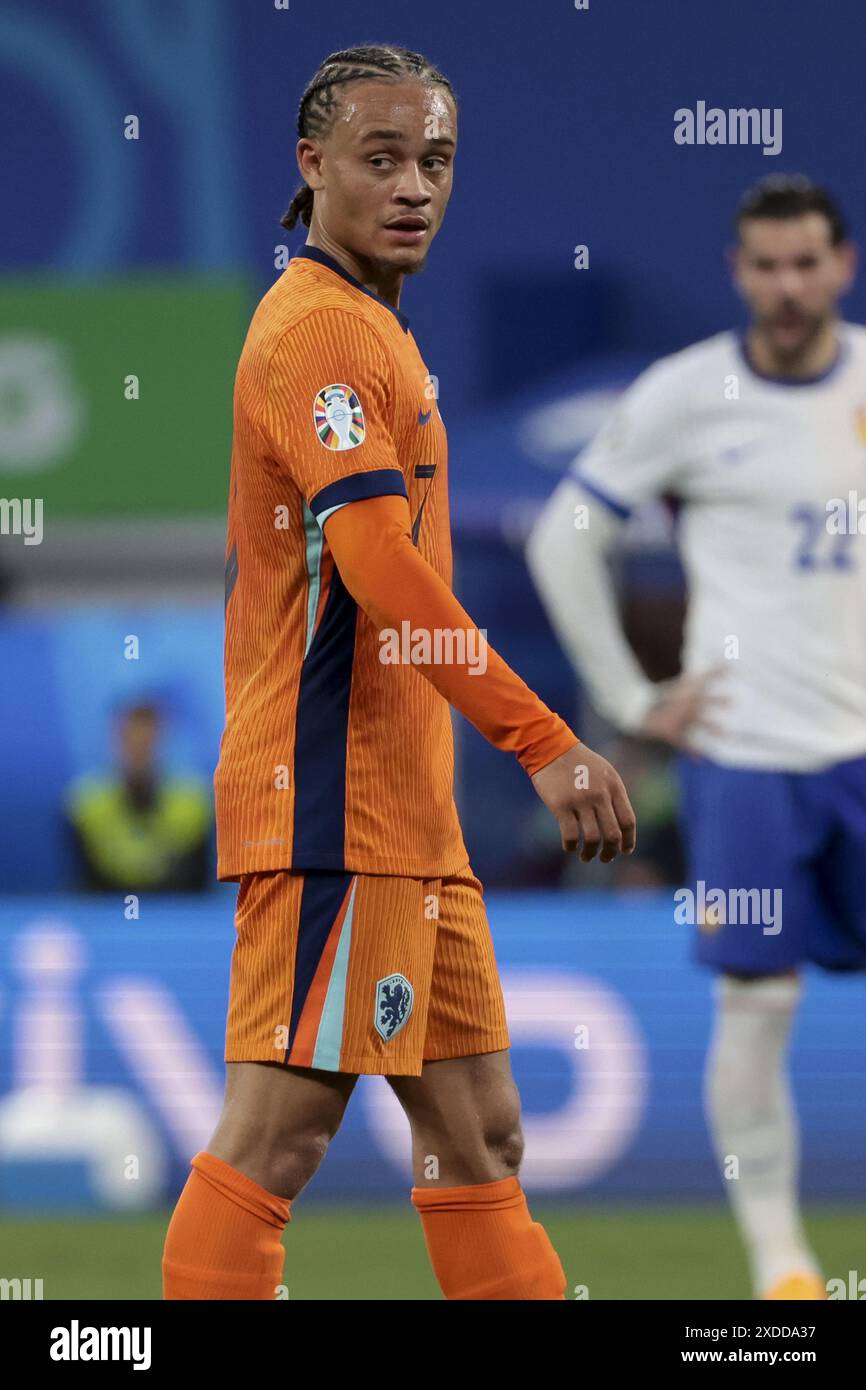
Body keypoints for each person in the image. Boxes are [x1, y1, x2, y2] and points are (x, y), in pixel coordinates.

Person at [162, 43, 635, 1302]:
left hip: (406, 816)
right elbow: (373, 564)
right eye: (380, 158)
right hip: (331, 804)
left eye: (434, 160)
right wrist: (542, 738)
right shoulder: (315, 330)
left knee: (477, 1135)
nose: (414, 185)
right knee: (280, 1137)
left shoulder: (375, 329)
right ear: (310, 165)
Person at [527, 175, 865, 1300]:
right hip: (745, 756)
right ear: (736, 271)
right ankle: (781, 1265)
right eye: (764, 265)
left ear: (840, 265)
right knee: (755, 1002)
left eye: (804, 262)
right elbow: (563, 536)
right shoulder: (685, 395)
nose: (785, 285)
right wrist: (627, 698)